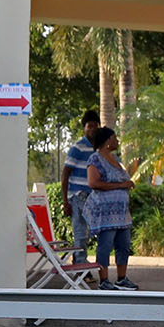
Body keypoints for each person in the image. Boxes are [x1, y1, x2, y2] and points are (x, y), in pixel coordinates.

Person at [83, 127, 138, 291]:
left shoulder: (115, 159)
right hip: (105, 213)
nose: (117, 141)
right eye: (114, 138)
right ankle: (104, 279)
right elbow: (93, 183)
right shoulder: (95, 159)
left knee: (124, 245)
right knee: (105, 245)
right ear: (107, 141)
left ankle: (122, 278)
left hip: (121, 214)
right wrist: (121, 185)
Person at [60, 109, 100, 262]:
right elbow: (65, 173)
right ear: (84, 128)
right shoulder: (78, 147)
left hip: (92, 197)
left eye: (95, 125)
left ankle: (79, 262)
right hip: (78, 196)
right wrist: (65, 201)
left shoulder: (98, 148)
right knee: (80, 232)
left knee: (88, 234)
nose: (92, 129)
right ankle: (80, 268)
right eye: (89, 126)